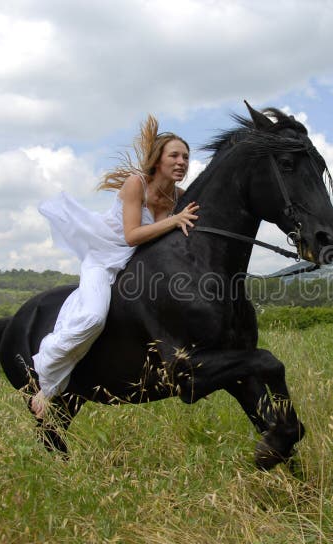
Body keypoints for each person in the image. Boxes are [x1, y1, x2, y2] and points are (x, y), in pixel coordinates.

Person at [30, 115, 200, 419]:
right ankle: (48, 380)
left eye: (186, 157)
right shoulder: (137, 184)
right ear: (158, 160)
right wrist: (174, 220)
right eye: (174, 155)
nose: (182, 162)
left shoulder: (179, 197)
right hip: (105, 257)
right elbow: (133, 235)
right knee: (93, 317)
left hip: (141, 263)